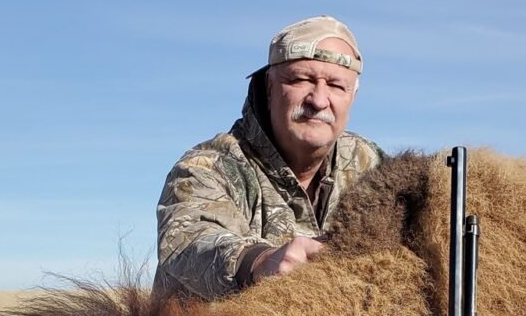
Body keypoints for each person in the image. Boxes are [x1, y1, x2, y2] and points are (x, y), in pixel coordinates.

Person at [153, 15, 383, 300]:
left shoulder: (372, 165)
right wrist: (258, 262)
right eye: (301, 80)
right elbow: (187, 239)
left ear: (353, 96)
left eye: (336, 86)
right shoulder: (207, 167)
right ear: (270, 87)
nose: (319, 100)